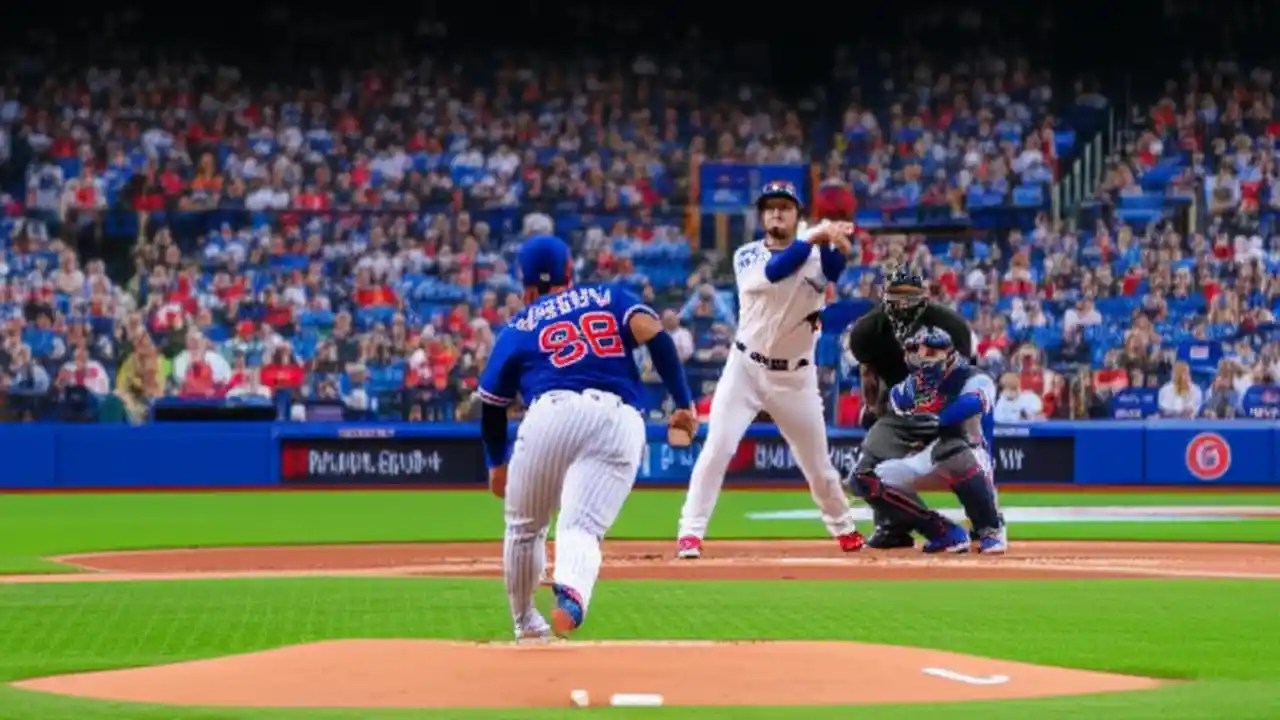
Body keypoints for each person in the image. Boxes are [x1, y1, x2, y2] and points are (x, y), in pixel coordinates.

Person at [476, 234, 697, 640]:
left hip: (551, 412)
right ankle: (573, 592)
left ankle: (527, 623)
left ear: (526, 285)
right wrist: (683, 401)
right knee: (581, 526)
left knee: (525, 528)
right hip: (619, 418)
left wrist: (495, 464)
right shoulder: (607, 296)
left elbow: (491, 404)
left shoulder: (517, 327)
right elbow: (654, 334)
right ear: (569, 273)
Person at [674, 180, 864, 559]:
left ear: (797, 215)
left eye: (785, 207)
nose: (776, 213)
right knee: (717, 448)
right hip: (745, 368)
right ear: (762, 216)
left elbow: (834, 267)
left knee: (818, 464)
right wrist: (816, 234)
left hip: (796, 377)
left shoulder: (816, 253)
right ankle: (690, 533)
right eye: (770, 207)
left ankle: (843, 526)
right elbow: (777, 269)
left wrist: (838, 237)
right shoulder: (748, 255)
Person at [844, 267, 989, 549]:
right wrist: (874, 411)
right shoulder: (867, 331)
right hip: (899, 412)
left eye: (909, 296)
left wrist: (951, 423)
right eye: (896, 295)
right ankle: (906, 526)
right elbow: (869, 374)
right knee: (863, 477)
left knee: (972, 453)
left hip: (946, 408)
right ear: (883, 297)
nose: (902, 303)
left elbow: (968, 379)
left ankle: (986, 524)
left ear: (924, 297)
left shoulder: (950, 325)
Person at [855, 325, 1007, 553]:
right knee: (869, 477)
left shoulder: (973, 377)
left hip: (970, 456)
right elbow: (895, 404)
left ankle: (991, 529)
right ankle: (937, 531)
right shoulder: (912, 385)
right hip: (927, 456)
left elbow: (975, 401)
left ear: (950, 354)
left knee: (952, 451)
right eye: (921, 351)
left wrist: (938, 417)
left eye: (932, 352)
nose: (924, 358)